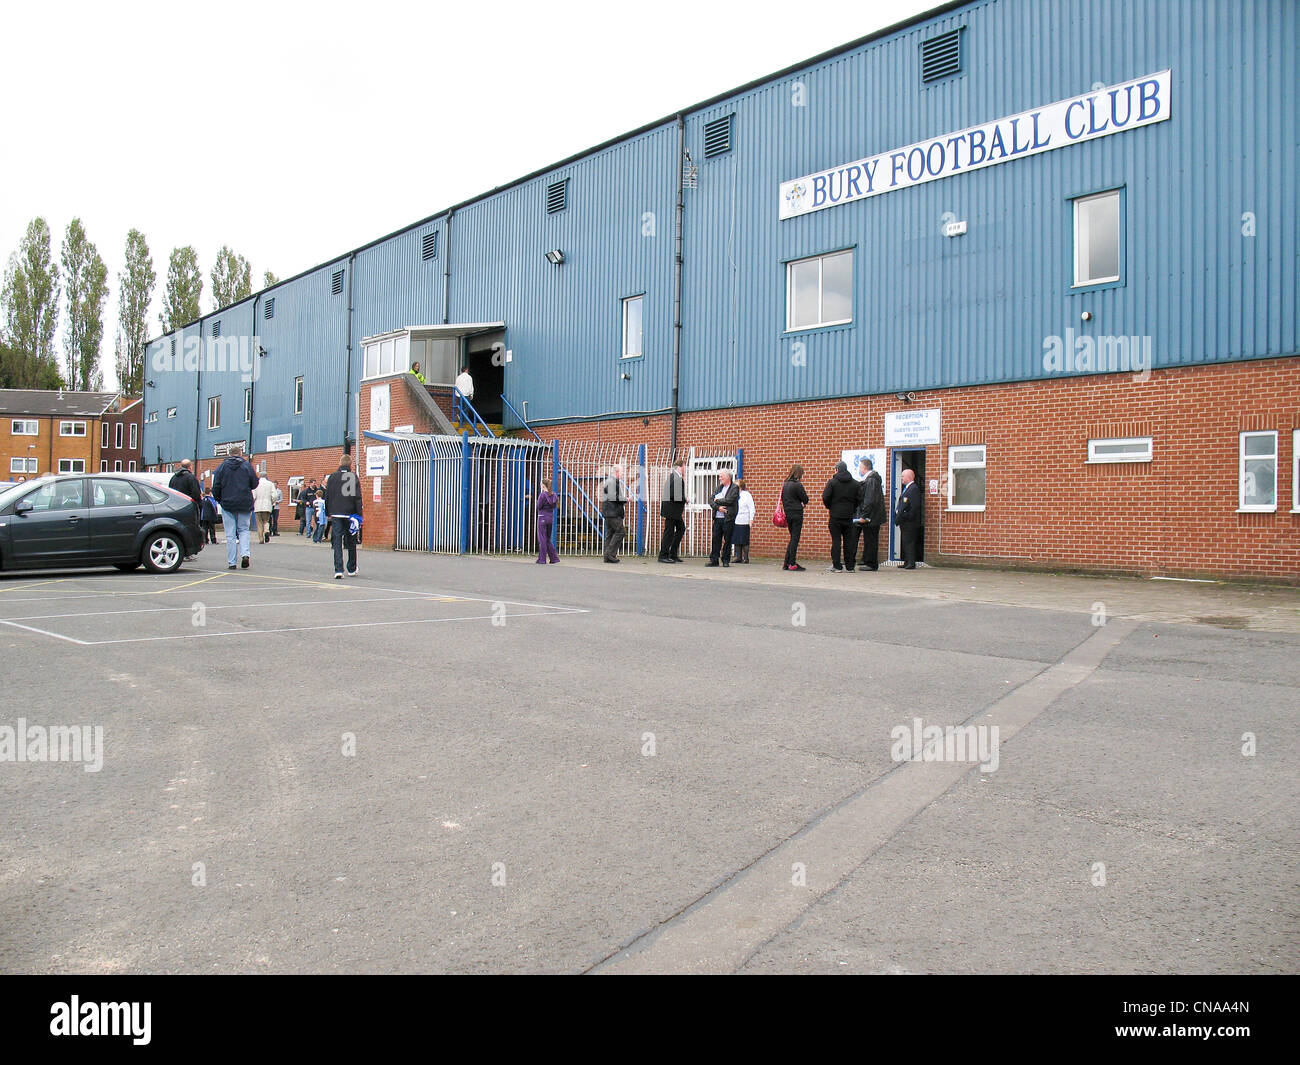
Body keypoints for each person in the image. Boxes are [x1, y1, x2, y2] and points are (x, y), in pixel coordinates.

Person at [211, 443, 258, 569]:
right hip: (244, 502)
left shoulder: (222, 466)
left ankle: (232, 562)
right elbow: (254, 483)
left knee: (230, 534)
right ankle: (245, 554)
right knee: (243, 530)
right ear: (241, 454)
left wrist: (219, 499)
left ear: (229, 454)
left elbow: (216, 486)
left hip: (227, 503)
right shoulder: (247, 466)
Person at [325, 454, 362, 578]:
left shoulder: (332, 477)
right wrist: (359, 515)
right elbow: (356, 498)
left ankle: (338, 570)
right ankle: (351, 568)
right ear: (350, 464)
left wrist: (327, 512)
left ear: (339, 463)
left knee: (337, 541)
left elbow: (328, 496)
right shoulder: (352, 477)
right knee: (351, 541)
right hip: (349, 513)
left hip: (336, 513)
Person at [822, 460, 859, 572]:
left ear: (837, 470)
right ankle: (850, 566)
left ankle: (837, 566)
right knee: (849, 542)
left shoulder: (832, 482)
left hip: (835, 516)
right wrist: (852, 508)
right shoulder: (855, 483)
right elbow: (859, 499)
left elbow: (825, 497)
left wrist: (831, 507)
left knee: (836, 541)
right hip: (848, 516)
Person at [853, 457, 886, 571]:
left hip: (871, 517)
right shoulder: (873, 479)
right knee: (869, 539)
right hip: (874, 516)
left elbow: (869, 499)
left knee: (871, 540)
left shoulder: (871, 480)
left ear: (864, 467)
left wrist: (864, 515)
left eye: (860, 467)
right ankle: (868, 560)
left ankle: (871, 563)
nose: (860, 470)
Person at [706, 469, 739, 567]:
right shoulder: (718, 488)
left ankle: (725, 560)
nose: (720, 478)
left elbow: (730, 500)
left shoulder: (734, 488)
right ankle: (714, 560)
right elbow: (711, 500)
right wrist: (718, 507)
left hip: (728, 518)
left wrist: (717, 500)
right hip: (717, 518)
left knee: (727, 540)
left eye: (721, 476)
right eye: (719, 476)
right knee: (716, 539)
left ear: (728, 477)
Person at [657, 458, 687, 563]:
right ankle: (663, 555)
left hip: (673, 510)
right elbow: (675, 495)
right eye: (684, 466)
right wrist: (685, 499)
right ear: (679, 467)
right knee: (669, 532)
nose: (685, 469)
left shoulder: (673, 477)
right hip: (672, 510)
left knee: (680, 529)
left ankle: (672, 554)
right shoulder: (676, 478)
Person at [781, 465, 809, 571]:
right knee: (795, 539)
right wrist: (801, 503)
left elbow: (783, 499)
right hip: (797, 513)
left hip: (788, 514)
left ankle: (786, 563)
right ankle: (792, 563)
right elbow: (805, 499)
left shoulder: (785, 484)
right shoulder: (797, 485)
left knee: (792, 538)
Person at [894, 467, 923, 569]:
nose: (901, 478)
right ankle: (906, 561)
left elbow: (914, 507)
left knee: (909, 541)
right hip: (905, 521)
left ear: (909, 477)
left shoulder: (913, 489)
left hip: (910, 521)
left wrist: (905, 516)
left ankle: (911, 562)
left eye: (903, 476)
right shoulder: (907, 488)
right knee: (905, 541)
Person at [599, 463, 628, 563]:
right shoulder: (611, 482)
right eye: (622, 472)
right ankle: (610, 554)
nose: (623, 474)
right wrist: (625, 499)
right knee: (621, 531)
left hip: (609, 511)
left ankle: (607, 557)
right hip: (613, 512)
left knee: (610, 534)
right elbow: (613, 496)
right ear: (616, 472)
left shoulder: (610, 481)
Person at [536, 476, 559, 564]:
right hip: (550, 517)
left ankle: (542, 559)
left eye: (541, 484)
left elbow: (539, 506)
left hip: (542, 517)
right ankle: (554, 558)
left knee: (542, 538)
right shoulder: (554, 495)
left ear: (543, 485)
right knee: (547, 539)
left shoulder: (542, 495)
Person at [732, 477, 755, 563]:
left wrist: (751, 519)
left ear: (741, 487)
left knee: (744, 540)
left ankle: (746, 558)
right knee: (736, 539)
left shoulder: (746, 495)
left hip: (744, 520)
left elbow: (751, 508)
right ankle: (738, 557)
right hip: (735, 519)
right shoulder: (733, 495)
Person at [253, 474, 277, 545]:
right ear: (266, 476)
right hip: (267, 505)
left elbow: (253, 495)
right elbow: (274, 495)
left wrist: (254, 502)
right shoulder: (270, 484)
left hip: (258, 506)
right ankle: (266, 531)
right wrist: (272, 502)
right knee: (266, 521)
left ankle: (261, 539)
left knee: (259, 523)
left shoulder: (256, 484)